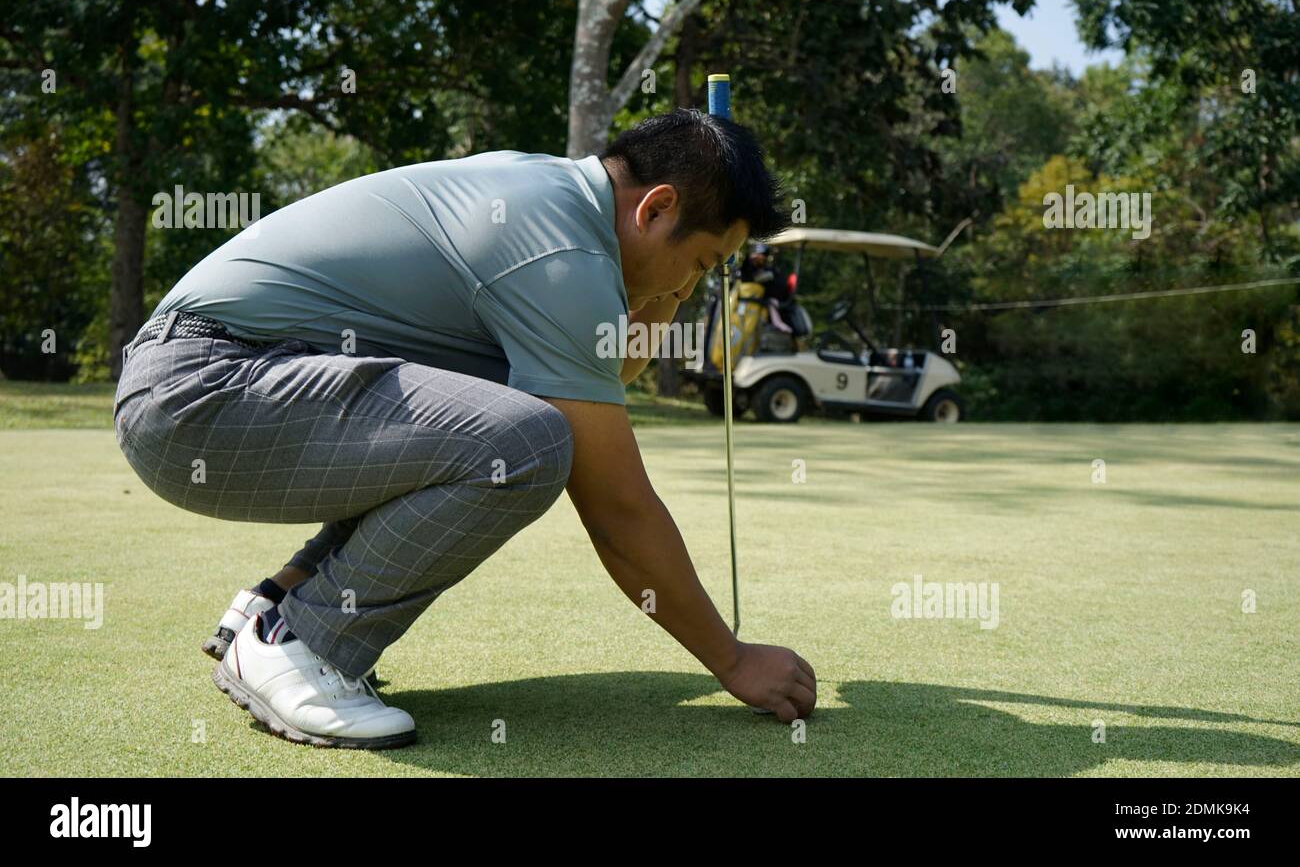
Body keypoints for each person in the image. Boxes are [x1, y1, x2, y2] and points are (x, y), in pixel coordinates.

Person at [112, 109, 817, 748]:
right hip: (199, 392)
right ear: (657, 208)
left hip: (204, 378)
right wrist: (732, 657)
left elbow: (602, 374)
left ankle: (276, 604)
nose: (692, 287)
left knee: (488, 414)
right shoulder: (561, 258)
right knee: (528, 441)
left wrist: (662, 288)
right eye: (702, 264)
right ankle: (303, 643)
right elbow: (617, 509)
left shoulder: (552, 196)